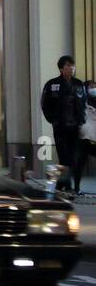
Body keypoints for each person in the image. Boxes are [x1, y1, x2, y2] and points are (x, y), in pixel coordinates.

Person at [41, 55, 87, 193]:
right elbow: (45, 104)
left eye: (72, 66)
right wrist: (52, 120)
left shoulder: (79, 84)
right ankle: (64, 185)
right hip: (60, 126)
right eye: (68, 66)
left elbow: (83, 103)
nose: (71, 68)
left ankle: (65, 185)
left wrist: (81, 121)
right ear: (61, 68)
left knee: (73, 157)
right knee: (63, 156)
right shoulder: (52, 84)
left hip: (75, 127)